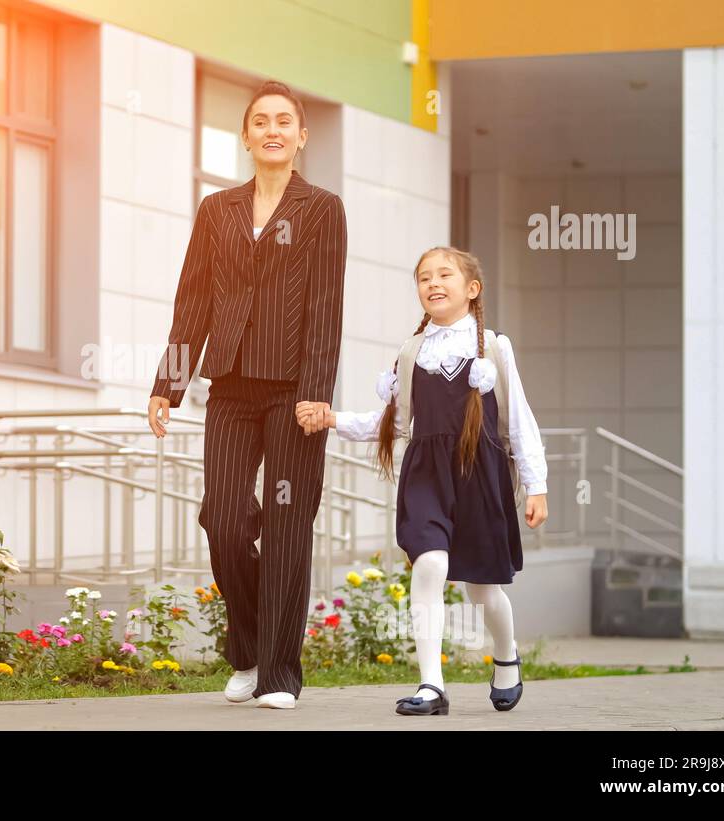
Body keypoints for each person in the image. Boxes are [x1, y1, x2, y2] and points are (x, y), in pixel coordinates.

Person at [147, 80, 348, 709]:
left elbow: (325, 309)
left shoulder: (322, 210)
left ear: (301, 136)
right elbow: (193, 302)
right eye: (260, 120)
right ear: (245, 136)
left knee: (288, 526)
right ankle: (248, 649)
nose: (272, 130)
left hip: (294, 393)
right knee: (225, 519)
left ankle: (280, 674)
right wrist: (168, 382)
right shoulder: (217, 211)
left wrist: (318, 393)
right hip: (230, 384)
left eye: (284, 121)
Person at [297, 246, 548, 715]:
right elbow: (394, 422)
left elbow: (519, 421)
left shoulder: (495, 347)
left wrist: (536, 484)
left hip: (481, 474)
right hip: (426, 474)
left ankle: (507, 656)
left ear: (471, 289)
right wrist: (333, 419)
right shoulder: (411, 351)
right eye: (423, 278)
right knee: (429, 564)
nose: (432, 283)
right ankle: (432, 685)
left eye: (443, 275)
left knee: (483, 589)